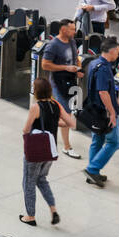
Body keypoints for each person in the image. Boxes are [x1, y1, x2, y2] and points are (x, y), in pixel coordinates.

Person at [20, 77, 73, 226]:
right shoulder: (55, 104)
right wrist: (54, 122)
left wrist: (26, 135)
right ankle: (53, 209)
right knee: (41, 179)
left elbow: (26, 128)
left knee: (29, 182)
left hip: (36, 150)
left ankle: (30, 216)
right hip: (50, 150)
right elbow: (70, 123)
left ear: (36, 91)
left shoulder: (35, 107)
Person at [39, 17, 83, 158]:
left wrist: (77, 69)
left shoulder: (72, 42)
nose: (74, 32)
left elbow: (76, 58)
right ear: (63, 29)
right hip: (58, 84)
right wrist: (66, 67)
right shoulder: (53, 45)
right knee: (66, 114)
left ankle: (45, 123)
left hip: (70, 82)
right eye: (72, 29)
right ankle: (66, 146)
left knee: (68, 112)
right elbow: (45, 64)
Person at [83, 39, 119, 186]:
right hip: (105, 112)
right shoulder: (104, 69)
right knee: (115, 141)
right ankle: (92, 169)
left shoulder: (95, 63)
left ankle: (93, 174)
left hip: (95, 110)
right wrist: (112, 113)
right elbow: (103, 92)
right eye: (117, 52)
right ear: (111, 51)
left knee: (97, 140)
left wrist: (117, 102)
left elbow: (105, 89)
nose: (118, 55)